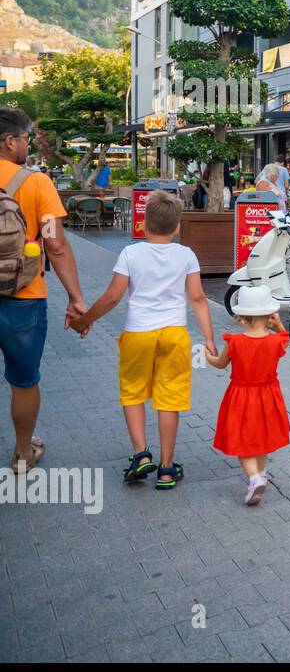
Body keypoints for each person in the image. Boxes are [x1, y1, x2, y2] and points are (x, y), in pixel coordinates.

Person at [70, 191, 217, 490]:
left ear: (144, 226)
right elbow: (198, 298)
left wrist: (85, 321)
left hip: (138, 333)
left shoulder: (130, 254)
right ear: (178, 227)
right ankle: (165, 468)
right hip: (174, 334)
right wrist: (209, 338)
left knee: (133, 392)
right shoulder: (187, 255)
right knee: (169, 398)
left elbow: (113, 297)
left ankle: (140, 455)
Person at [0, 107, 88, 473]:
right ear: (10, 142)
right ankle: (23, 453)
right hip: (23, 296)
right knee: (23, 380)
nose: (27, 145)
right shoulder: (36, 183)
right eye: (25, 139)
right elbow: (56, 245)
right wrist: (76, 298)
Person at [205, 286, 290, 506]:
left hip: (241, 396)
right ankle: (261, 475)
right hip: (268, 396)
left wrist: (208, 357)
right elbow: (285, 338)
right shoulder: (274, 342)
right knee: (262, 438)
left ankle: (254, 478)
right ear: (268, 315)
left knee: (242, 440)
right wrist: (278, 322)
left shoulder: (235, 341)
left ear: (241, 317)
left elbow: (221, 364)